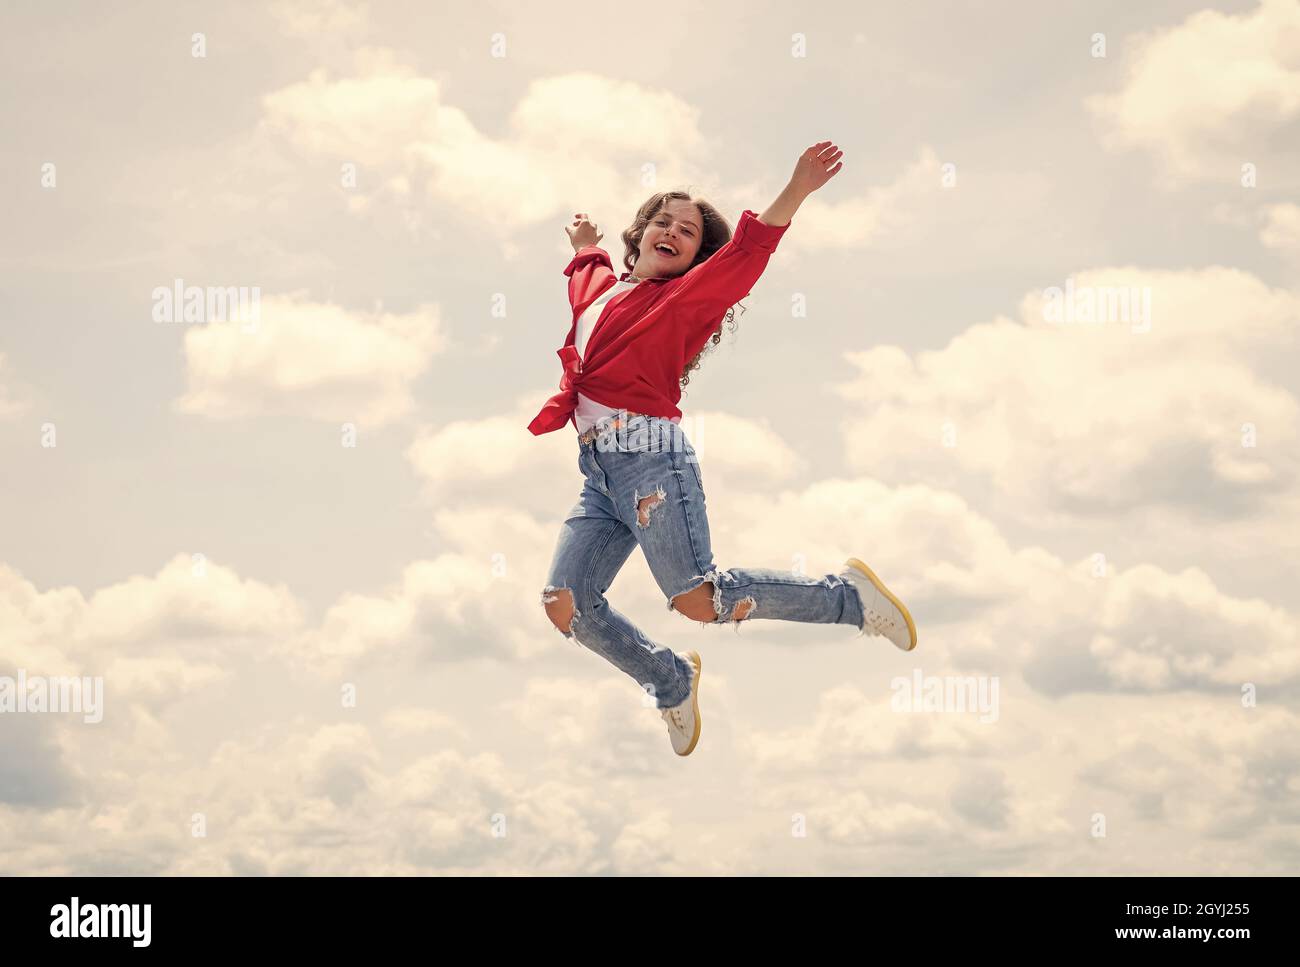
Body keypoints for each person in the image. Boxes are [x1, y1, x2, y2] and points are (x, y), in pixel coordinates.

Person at [529, 142, 917, 757]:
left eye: (688, 232)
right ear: (641, 235)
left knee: (698, 600)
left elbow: (747, 251)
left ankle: (849, 599)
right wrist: (584, 243)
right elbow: (586, 274)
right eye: (663, 221)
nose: (673, 232)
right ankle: (670, 678)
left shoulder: (687, 301)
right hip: (600, 474)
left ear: (694, 259)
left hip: (650, 454)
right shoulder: (601, 292)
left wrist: (797, 189)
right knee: (565, 603)